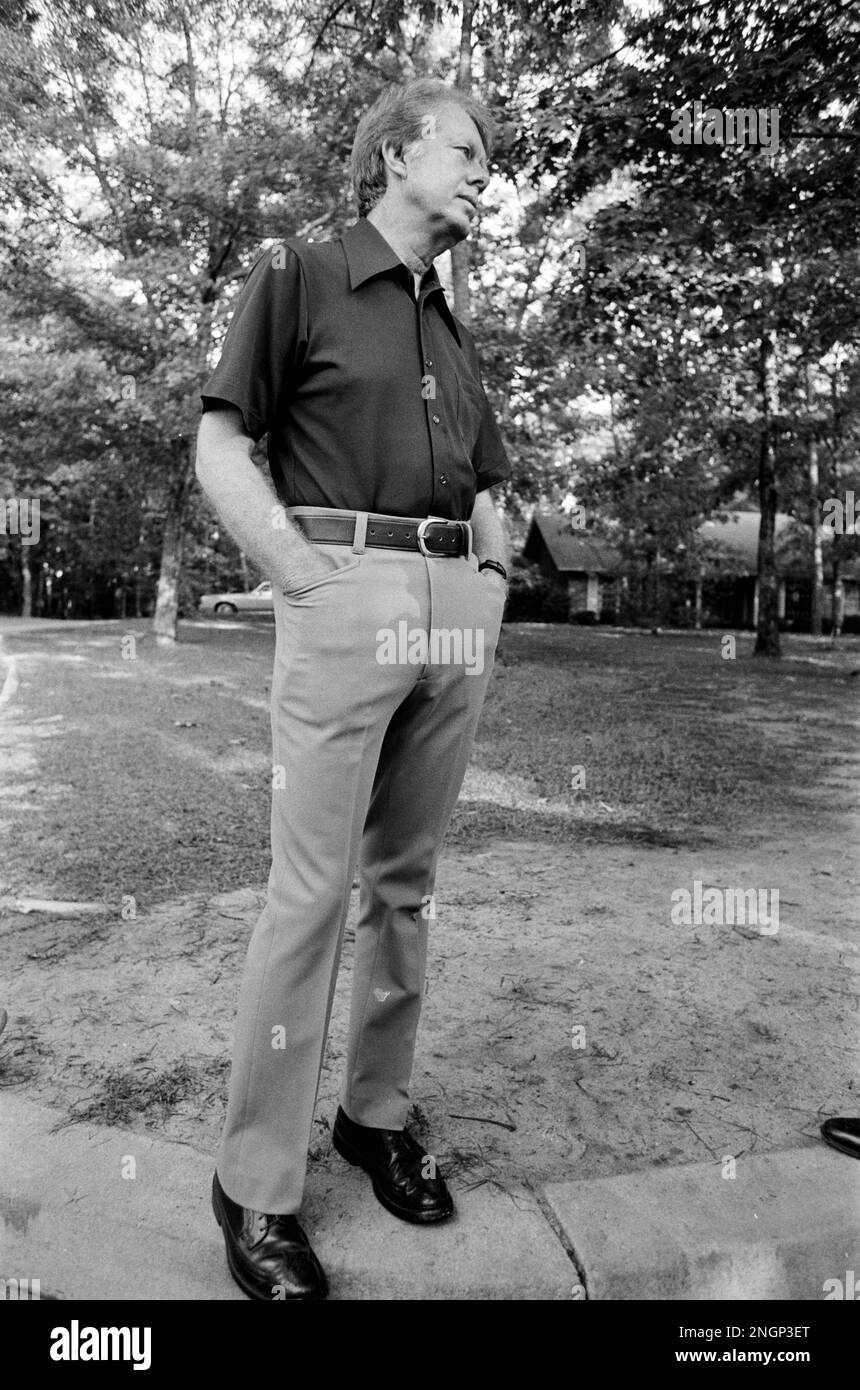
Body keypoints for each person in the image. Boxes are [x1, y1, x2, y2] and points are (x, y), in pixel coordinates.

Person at [195, 77, 511, 1301]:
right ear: (393, 153)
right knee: (309, 892)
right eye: (468, 152)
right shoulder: (300, 267)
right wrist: (299, 576)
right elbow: (222, 439)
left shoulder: (447, 316)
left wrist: (489, 573)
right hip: (342, 589)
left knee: (404, 885)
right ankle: (255, 1182)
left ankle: (373, 1115)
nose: (486, 174)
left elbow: (487, 473)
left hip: (452, 609)